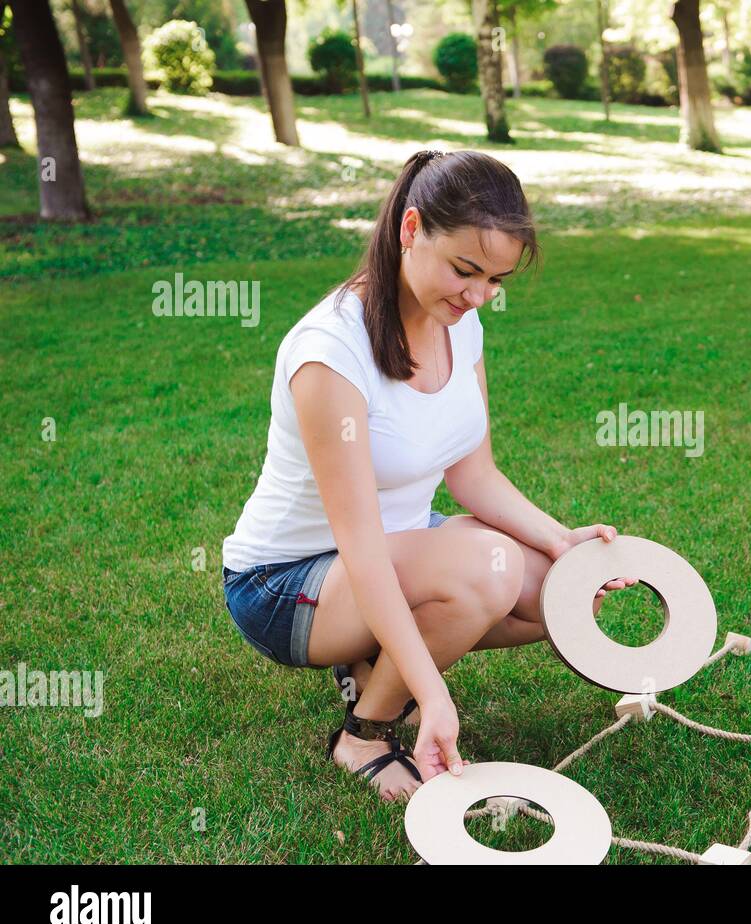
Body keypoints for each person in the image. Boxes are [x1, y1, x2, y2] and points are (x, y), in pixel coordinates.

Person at [222, 149, 638, 799]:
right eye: (466, 270)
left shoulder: (460, 325)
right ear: (410, 230)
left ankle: (367, 662)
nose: (478, 296)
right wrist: (431, 692)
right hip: (286, 585)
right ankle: (367, 729)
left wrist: (562, 542)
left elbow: (475, 474)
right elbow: (360, 546)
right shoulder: (330, 353)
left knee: (556, 591)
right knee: (490, 568)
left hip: (396, 553)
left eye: (496, 280)